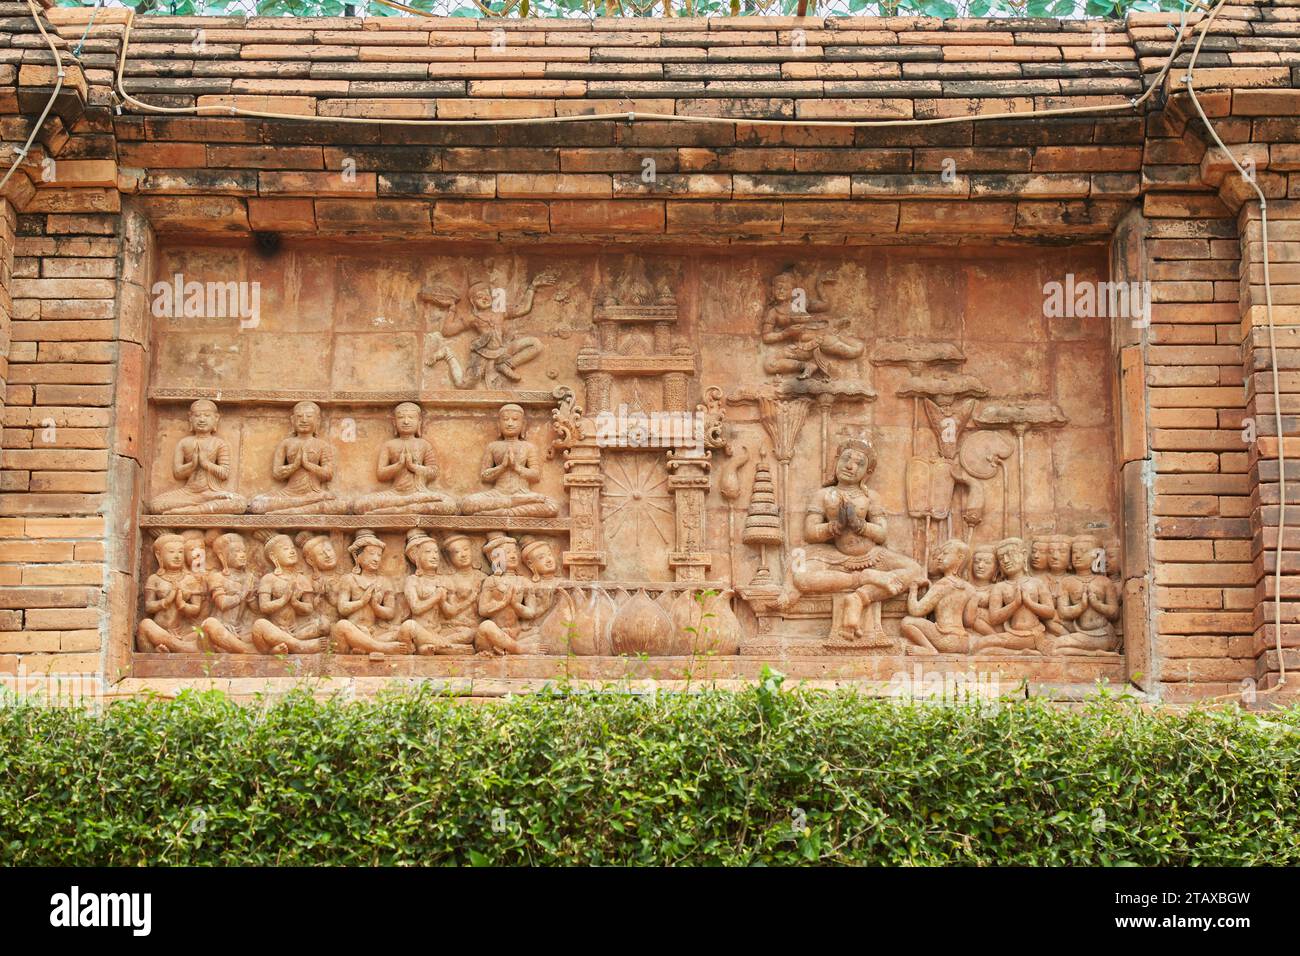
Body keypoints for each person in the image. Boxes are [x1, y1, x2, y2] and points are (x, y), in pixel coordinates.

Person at [352, 402, 458, 515]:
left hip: (419, 494)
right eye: (401, 417)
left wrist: (413, 467)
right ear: (394, 422)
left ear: (419, 422)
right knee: (360, 504)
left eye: (411, 418)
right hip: (395, 494)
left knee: (449, 504)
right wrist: (399, 465)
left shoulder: (424, 444)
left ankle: (396, 511)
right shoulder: (389, 445)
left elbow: (433, 471)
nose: (406, 421)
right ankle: (407, 508)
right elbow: (381, 474)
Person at [149, 399, 247, 515]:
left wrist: (206, 464)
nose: (202, 419)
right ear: (190, 418)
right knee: (155, 504)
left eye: (207, 416)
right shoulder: (184, 443)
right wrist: (193, 464)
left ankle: (192, 510)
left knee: (240, 503)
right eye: (197, 416)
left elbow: (224, 473)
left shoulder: (219, 444)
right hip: (189, 493)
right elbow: (178, 473)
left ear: (216, 419)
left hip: (211, 493)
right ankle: (199, 507)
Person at [460, 404, 559, 518]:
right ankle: (512, 502)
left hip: (523, 494)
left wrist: (516, 467)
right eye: (505, 419)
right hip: (498, 494)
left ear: (523, 425)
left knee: (552, 506)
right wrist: (503, 466)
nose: (510, 423)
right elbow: (484, 476)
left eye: (515, 419)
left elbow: (535, 475)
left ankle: (506, 512)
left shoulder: (528, 447)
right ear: (499, 425)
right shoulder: (493, 446)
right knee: (467, 504)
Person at [901, 539, 974, 655]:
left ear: (960, 558)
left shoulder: (943, 584)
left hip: (945, 640)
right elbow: (969, 621)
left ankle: (930, 649)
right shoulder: (970, 589)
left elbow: (916, 610)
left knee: (907, 622)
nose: (939, 557)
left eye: (945, 553)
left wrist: (913, 588)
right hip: (963, 643)